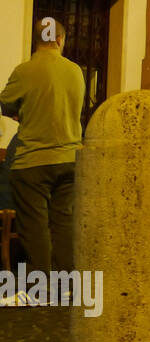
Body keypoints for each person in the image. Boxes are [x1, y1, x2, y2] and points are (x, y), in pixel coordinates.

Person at [0, 18, 86, 292]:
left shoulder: (25, 70)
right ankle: (67, 283)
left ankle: (42, 285)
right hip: (70, 158)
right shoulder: (75, 71)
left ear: (35, 40)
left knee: (34, 224)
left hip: (32, 161)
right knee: (63, 221)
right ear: (60, 40)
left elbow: (6, 103)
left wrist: (21, 110)